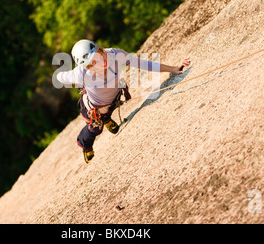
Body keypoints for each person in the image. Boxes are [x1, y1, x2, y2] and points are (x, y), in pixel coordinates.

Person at [56, 39, 191, 163]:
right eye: (94, 62)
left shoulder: (115, 55)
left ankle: (107, 118)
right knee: (95, 129)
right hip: (94, 108)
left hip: (114, 97)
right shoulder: (80, 74)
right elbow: (60, 76)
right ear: (87, 66)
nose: (102, 61)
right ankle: (86, 145)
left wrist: (173, 69)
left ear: (101, 49)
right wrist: (75, 81)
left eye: (100, 54)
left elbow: (142, 64)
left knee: (110, 110)